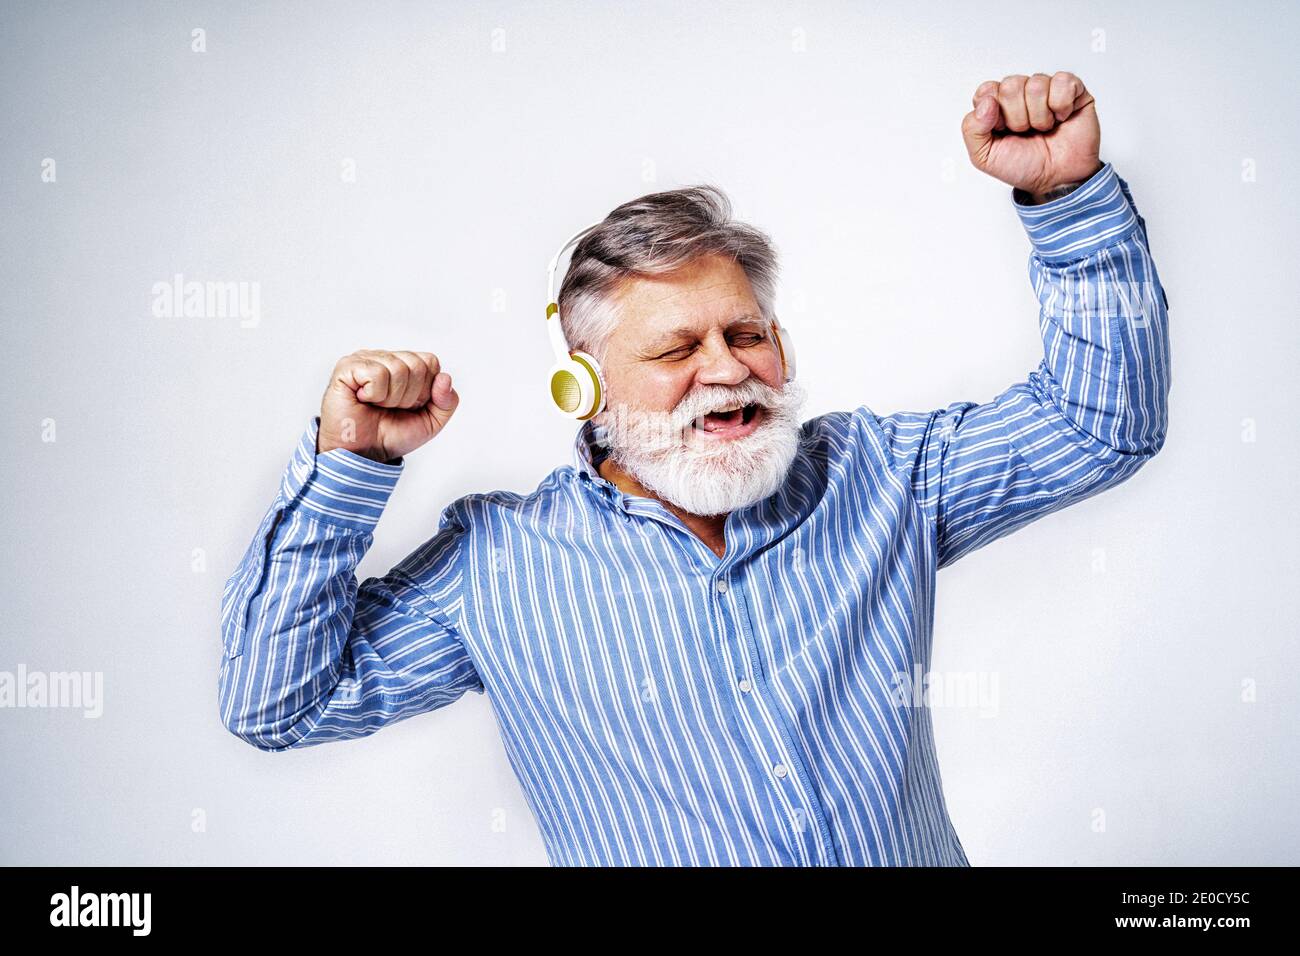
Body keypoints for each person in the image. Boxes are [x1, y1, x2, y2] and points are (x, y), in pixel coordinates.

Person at [218, 71, 1171, 866]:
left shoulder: (882, 476)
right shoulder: (499, 565)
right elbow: (277, 705)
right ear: (582, 387)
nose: (726, 369)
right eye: (678, 348)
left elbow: (1098, 423)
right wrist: (347, 471)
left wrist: (1066, 198)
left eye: (747, 333)